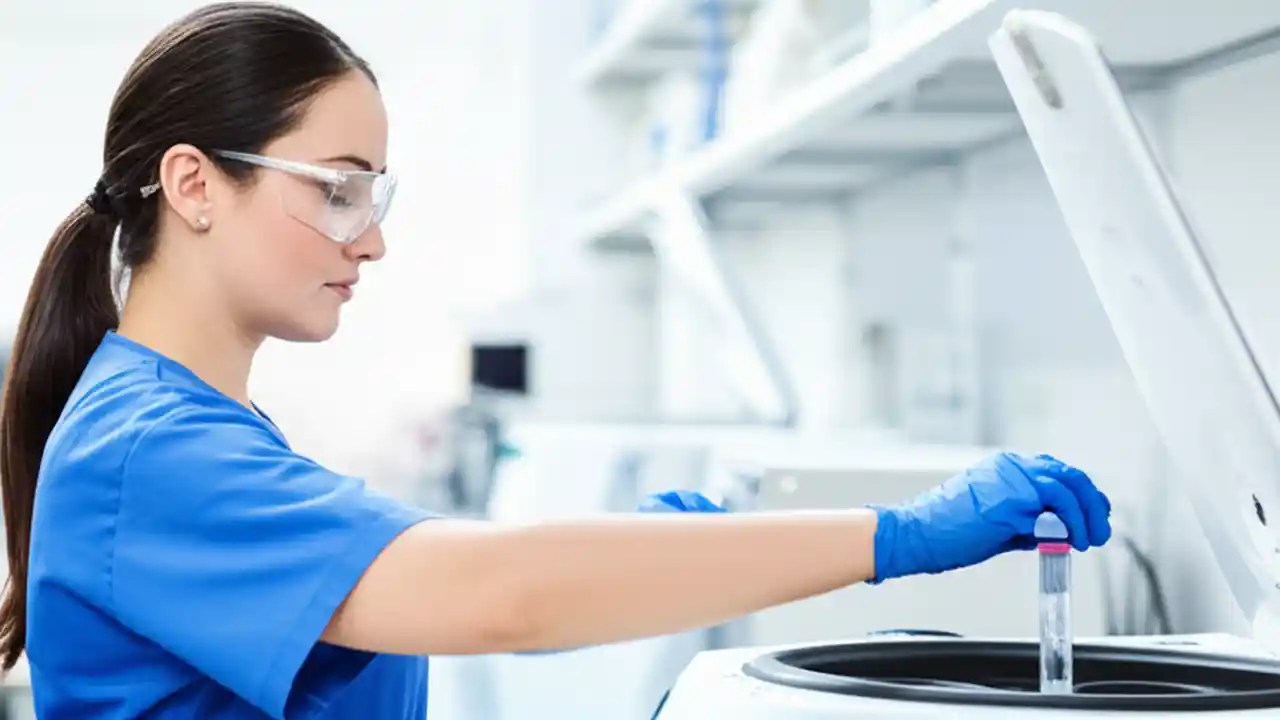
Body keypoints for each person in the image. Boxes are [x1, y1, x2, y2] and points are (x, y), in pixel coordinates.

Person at [0, 4, 1112, 719]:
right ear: (194, 186)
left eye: (375, 198)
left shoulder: (187, 428)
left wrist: (662, 554)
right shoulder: (150, 450)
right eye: (337, 190)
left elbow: (455, 600)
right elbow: (501, 598)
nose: (372, 238)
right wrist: (893, 537)